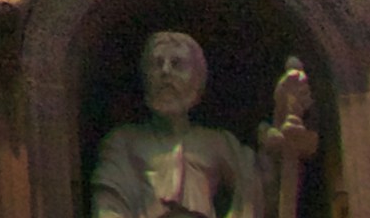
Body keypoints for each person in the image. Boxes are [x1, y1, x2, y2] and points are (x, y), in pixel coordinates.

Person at [90, 30, 265, 218]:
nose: (165, 72)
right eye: (157, 64)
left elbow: (256, 183)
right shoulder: (123, 141)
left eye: (177, 64)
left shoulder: (218, 142)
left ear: (197, 80)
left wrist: (277, 148)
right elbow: (109, 203)